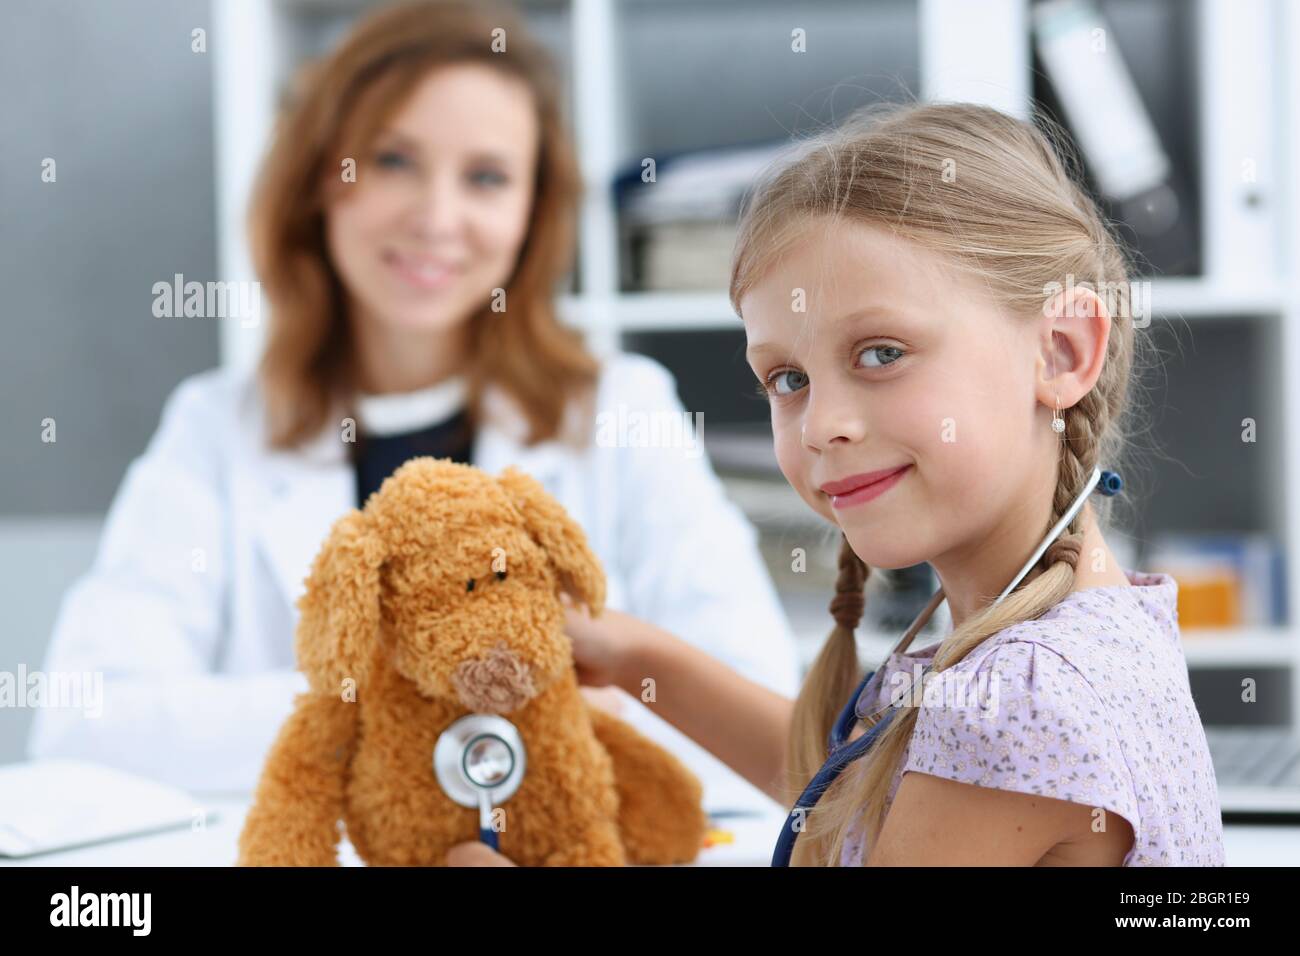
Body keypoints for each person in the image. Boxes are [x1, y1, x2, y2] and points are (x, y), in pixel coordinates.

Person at [29, 0, 798, 794]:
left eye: (487, 177)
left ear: (531, 215)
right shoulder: (216, 427)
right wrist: (440, 696)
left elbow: (757, 725)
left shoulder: (621, 410)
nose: (437, 218)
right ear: (320, 180)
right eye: (392, 161)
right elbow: (87, 727)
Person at [453, 101, 1226, 866]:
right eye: (787, 377)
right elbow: (859, 802)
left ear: (1061, 352)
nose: (822, 424)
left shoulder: (1018, 704)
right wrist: (628, 652)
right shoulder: (1080, 628)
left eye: (881, 353)